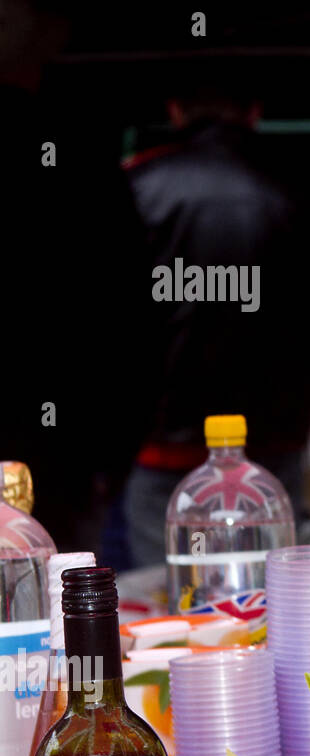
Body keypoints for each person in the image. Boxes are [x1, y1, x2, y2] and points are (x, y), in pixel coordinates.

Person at [122, 84, 310, 566]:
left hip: (162, 436)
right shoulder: (300, 188)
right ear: (255, 110)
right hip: (271, 437)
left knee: (164, 607)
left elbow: (105, 318)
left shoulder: (136, 183)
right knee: (272, 597)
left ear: (176, 107)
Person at [0, 0, 156, 557]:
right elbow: (130, 316)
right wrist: (113, 454)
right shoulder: (79, 160)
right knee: (55, 613)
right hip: (60, 451)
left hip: (62, 444)